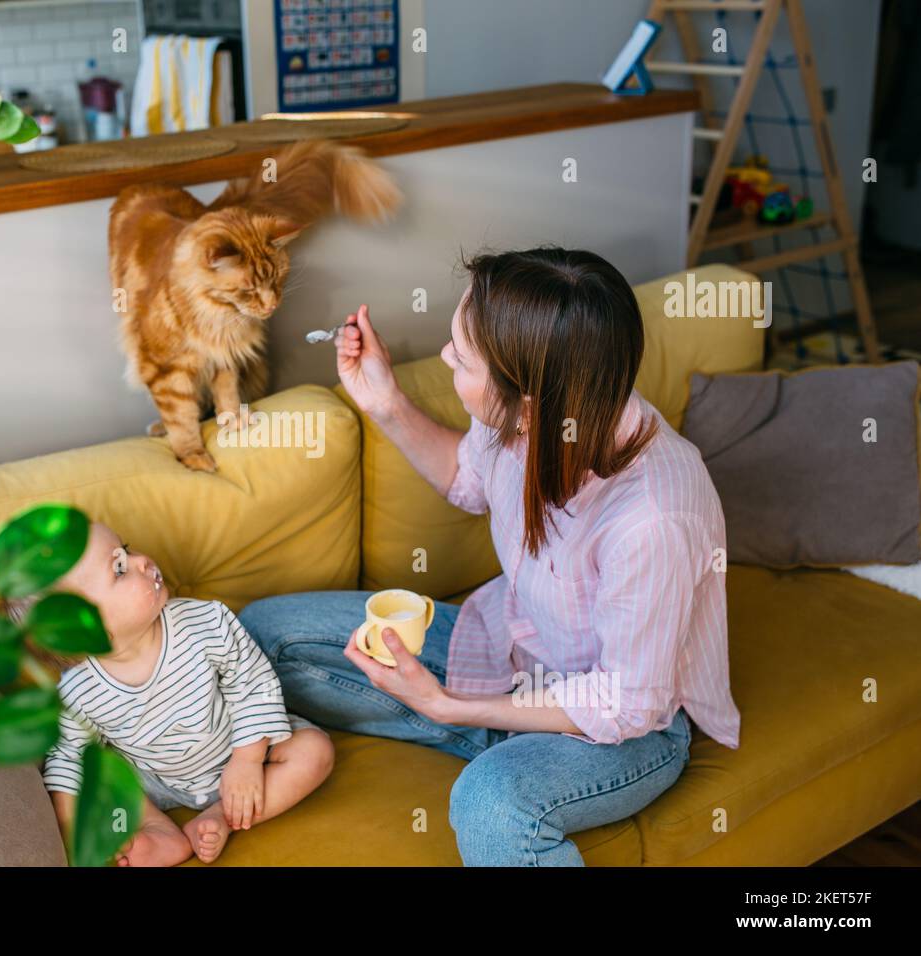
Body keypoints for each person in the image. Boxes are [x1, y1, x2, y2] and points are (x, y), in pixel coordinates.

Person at [239, 247, 741, 866]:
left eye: (462, 357)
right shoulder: (538, 414)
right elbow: (469, 480)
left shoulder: (655, 518)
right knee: (264, 635)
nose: (446, 356)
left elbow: (626, 703)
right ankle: (496, 730)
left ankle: (485, 736)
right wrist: (386, 402)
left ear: (529, 405)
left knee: (490, 802)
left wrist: (445, 703)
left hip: (625, 727)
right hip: (509, 641)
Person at [27, 521, 333, 866]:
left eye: (125, 550)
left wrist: (247, 760)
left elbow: (253, 684)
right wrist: (70, 826)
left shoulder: (207, 622)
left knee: (314, 752)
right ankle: (158, 828)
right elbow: (71, 755)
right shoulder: (79, 691)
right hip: (154, 780)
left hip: (242, 749)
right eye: (118, 569)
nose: (141, 561)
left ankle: (223, 816)